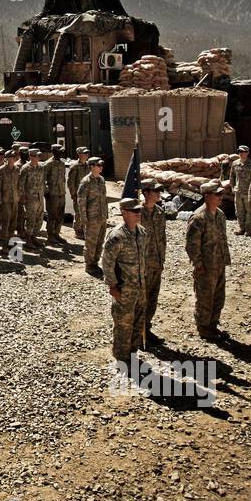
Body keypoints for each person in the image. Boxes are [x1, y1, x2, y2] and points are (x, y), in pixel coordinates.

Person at [100, 198, 148, 370]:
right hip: (124, 289)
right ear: (124, 213)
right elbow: (107, 262)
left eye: (139, 210)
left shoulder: (141, 233)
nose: (138, 214)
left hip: (140, 288)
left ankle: (132, 353)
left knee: (137, 321)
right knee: (123, 324)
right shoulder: (116, 236)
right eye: (134, 211)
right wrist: (112, 286)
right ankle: (121, 358)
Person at [186, 182, 231, 340]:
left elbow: (222, 239)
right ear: (207, 196)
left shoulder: (220, 215)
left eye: (220, 194)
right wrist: (198, 265)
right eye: (217, 194)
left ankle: (213, 324)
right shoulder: (198, 218)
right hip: (205, 267)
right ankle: (204, 328)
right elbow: (192, 245)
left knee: (219, 297)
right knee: (205, 298)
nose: (220, 197)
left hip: (219, 264)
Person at [137, 180, 167, 346]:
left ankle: (146, 329)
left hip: (157, 263)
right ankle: (138, 333)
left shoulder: (160, 213)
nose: (158, 193)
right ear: (146, 192)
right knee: (141, 300)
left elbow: (162, 238)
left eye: (159, 191)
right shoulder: (137, 214)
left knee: (152, 298)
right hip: (143, 265)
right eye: (155, 191)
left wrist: (162, 258)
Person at [78, 157, 108, 272]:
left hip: (102, 217)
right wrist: (84, 219)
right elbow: (81, 202)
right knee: (91, 243)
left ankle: (95, 262)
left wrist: (106, 215)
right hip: (91, 218)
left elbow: (104, 199)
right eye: (98, 165)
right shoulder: (86, 182)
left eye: (101, 165)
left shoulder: (101, 180)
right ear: (91, 166)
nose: (101, 167)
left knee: (100, 241)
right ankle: (89, 265)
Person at [18, 148, 46, 249]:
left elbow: (43, 181)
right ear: (30, 156)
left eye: (39, 156)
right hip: (30, 198)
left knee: (39, 218)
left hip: (39, 197)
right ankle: (28, 239)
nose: (38, 157)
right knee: (30, 218)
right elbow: (21, 185)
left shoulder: (41, 167)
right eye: (36, 156)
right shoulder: (25, 168)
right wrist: (22, 198)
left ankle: (34, 236)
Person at [0, 147, 22, 250]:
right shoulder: (1, 170)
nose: (12, 159)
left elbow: (19, 184)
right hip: (5, 200)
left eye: (14, 157)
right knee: (5, 222)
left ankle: (11, 242)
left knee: (13, 221)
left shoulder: (17, 169)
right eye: (10, 157)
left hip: (15, 200)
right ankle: (4, 244)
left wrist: (19, 196)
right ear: (6, 158)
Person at [43, 144, 68, 243]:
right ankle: (50, 235)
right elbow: (43, 180)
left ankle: (57, 234)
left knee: (60, 215)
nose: (61, 153)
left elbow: (63, 178)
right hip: (52, 194)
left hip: (61, 192)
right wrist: (47, 192)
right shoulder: (48, 164)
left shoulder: (62, 163)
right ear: (54, 152)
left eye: (62, 151)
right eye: (59, 151)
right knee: (52, 215)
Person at [229, 145, 251, 235]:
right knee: (239, 211)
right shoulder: (235, 163)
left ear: (247, 153)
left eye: (243, 152)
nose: (241, 153)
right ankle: (241, 228)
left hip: (248, 192)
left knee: (249, 211)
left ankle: (248, 230)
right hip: (238, 191)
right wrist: (232, 187)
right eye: (239, 151)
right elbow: (232, 176)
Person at [67, 147, 89, 239]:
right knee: (78, 213)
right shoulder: (75, 166)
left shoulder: (88, 165)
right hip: (78, 194)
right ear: (79, 155)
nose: (87, 155)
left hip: (87, 193)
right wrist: (73, 194)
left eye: (87, 153)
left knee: (86, 212)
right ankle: (78, 230)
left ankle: (84, 230)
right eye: (85, 153)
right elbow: (70, 182)